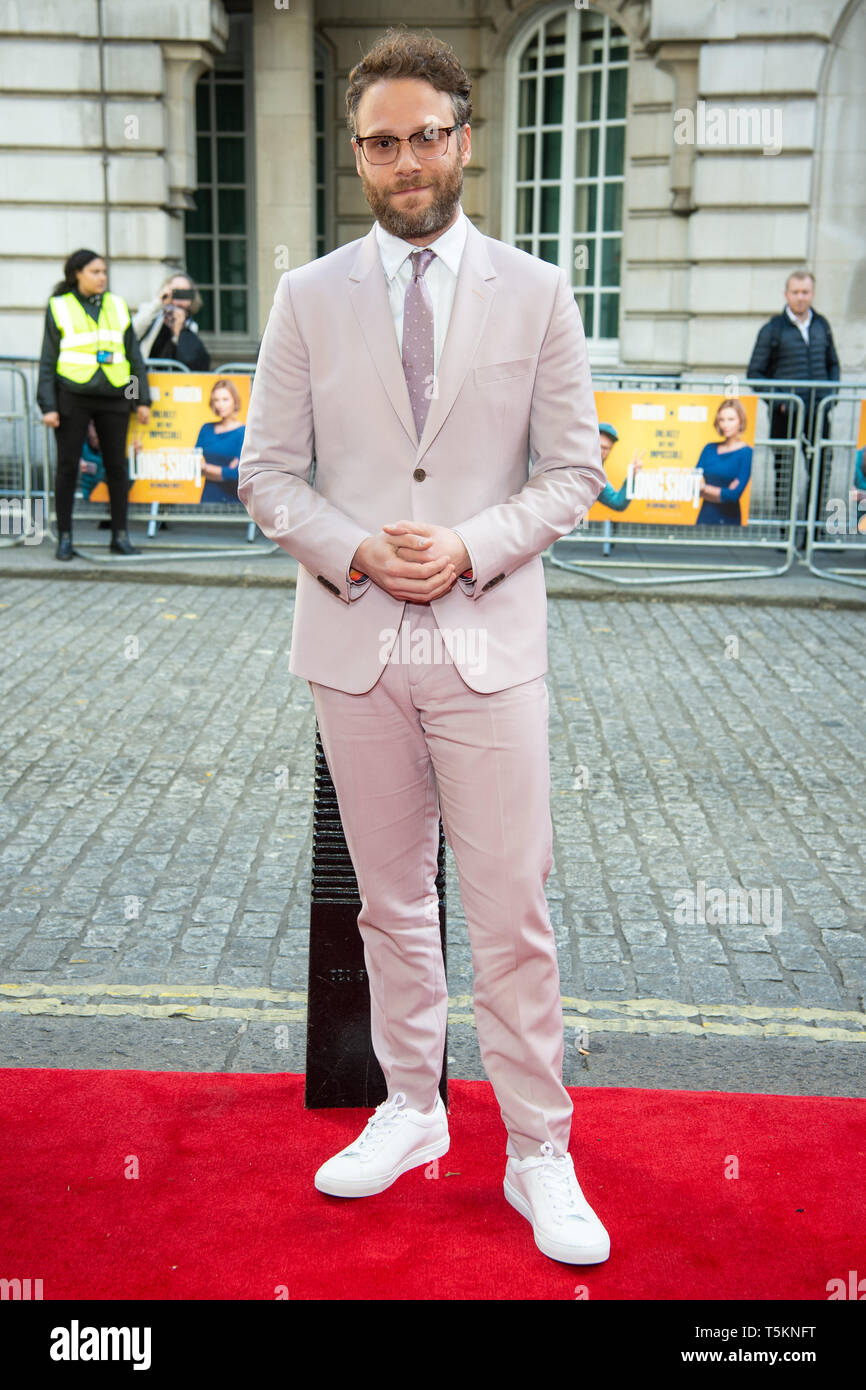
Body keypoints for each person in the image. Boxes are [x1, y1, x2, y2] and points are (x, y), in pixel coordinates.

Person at [238, 28, 610, 1268]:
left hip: (486, 641)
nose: (405, 161)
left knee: (510, 911)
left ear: (463, 137)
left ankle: (537, 1147)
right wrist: (353, 547)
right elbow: (267, 473)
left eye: (425, 136)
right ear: (356, 153)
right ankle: (411, 1106)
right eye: (380, 142)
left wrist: (466, 546)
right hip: (352, 641)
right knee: (389, 904)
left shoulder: (536, 291)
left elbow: (572, 472)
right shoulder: (306, 296)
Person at [37, 248, 151, 558]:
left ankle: (120, 536)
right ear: (77, 274)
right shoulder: (59, 306)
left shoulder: (117, 305)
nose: (102, 277)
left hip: (114, 396)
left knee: (117, 467)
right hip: (72, 396)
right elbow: (48, 359)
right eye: (95, 272)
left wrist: (140, 399)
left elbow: (133, 357)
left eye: (104, 272)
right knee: (67, 466)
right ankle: (65, 538)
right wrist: (48, 405)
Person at [746, 269, 839, 545]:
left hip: (818, 412)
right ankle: (785, 534)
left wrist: (831, 395)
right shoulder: (773, 329)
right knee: (784, 473)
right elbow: (755, 373)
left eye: (805, 292)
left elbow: (832, 363)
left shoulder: (822, 325)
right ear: (786, 294)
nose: (801, 297)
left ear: (812, 294)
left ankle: (816, 531)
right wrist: (780, 401)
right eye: (796, 292)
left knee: (821, 470)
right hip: (785, 415)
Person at [133, 273, 211, 371]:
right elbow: (132, 330)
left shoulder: (190, 326)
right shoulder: (153, 314)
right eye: (176, 292)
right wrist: (159, 302)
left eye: (185, 293)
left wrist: (177, 332)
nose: (179, 299)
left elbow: (186, 358)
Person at [695, 398, 752, 525]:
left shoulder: (747, 453)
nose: (725, 425)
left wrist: (704, 488)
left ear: (741, 421)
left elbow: (733, 495)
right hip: (704, 517)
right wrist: (722, 494)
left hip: (729, 520)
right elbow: (693, 484)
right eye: (722, 420)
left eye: (731, 419)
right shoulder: (709, 448)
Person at [194, 379, 245, 502]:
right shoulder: (206, 429)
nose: (220, 404)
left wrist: (205, 468)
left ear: (235, 401)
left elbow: (236, 474)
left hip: (233, 502)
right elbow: (192, 465)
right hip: (208, 499)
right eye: (216, 400)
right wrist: (224, 471)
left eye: (225, 399)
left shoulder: (243, 432)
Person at [596, 422, 644, 510]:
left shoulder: (597, 477)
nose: (601, 452)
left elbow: (617, 503)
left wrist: (632, 476)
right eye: (599, 446)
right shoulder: (572, 461)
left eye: (606, 448)